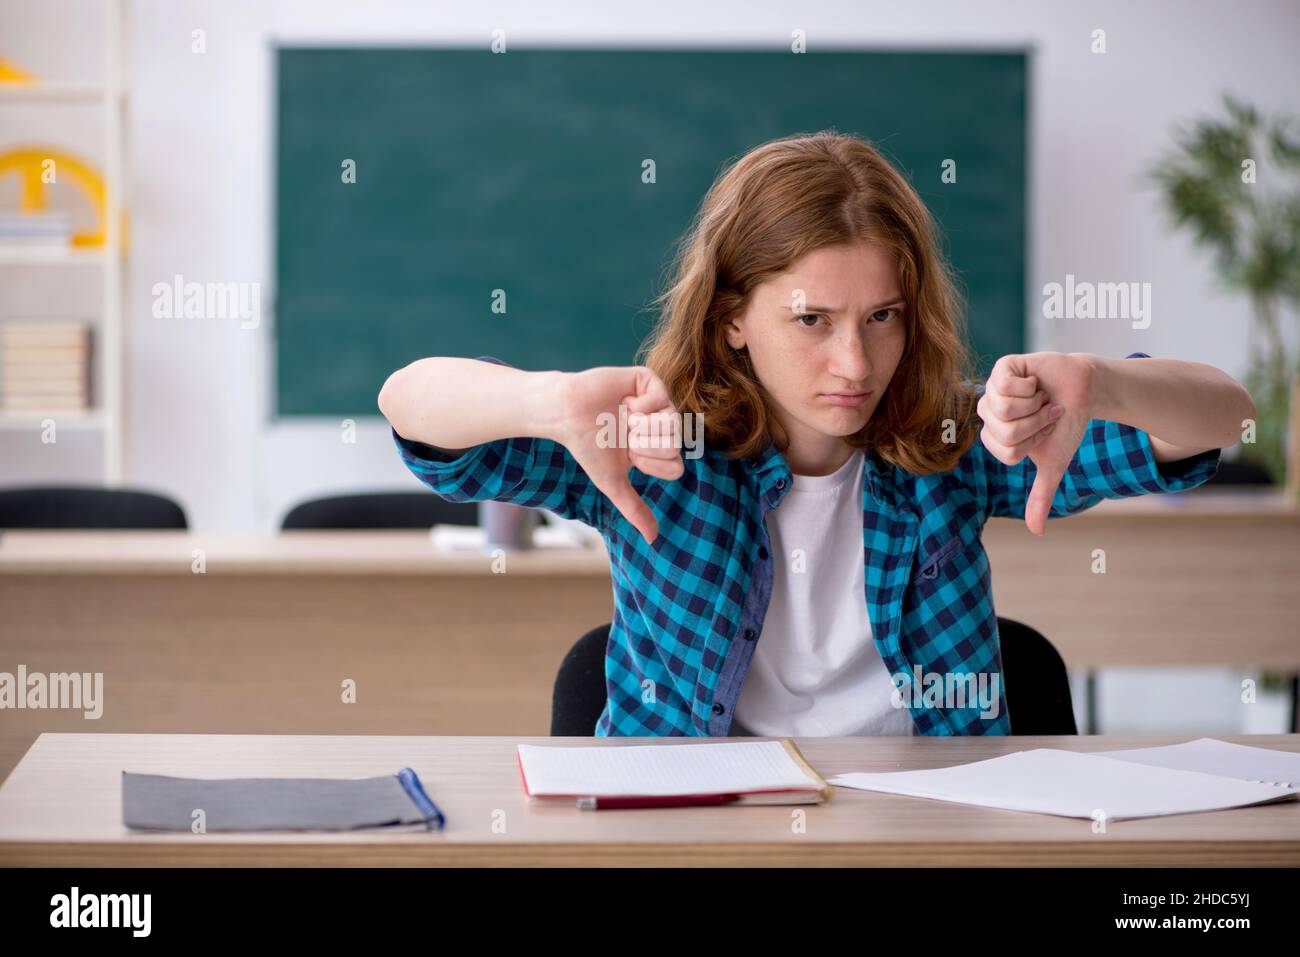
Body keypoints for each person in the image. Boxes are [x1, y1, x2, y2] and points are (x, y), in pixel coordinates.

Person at [377, 130, 1252, 738]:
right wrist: (549, 402)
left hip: (929, 832)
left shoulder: (955, 438)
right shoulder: (650, 448)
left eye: (882, 316)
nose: (854, 362)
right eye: (811, 319)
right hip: (695, 840)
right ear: (731, 320)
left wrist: (1106, 384)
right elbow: (408, 404)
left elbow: (1226, 414)